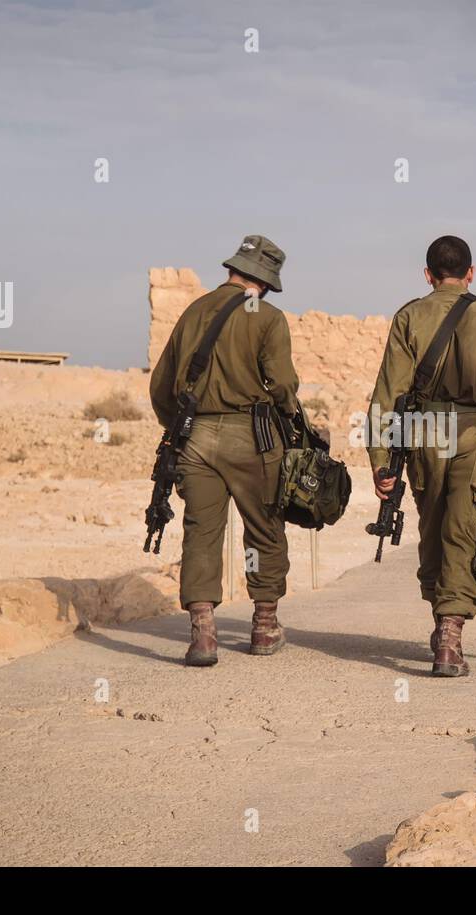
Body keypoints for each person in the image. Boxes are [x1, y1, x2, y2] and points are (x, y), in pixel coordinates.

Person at [368, 235, 476, 677]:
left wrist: (381, 460)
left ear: (428, 275)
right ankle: (451, 636)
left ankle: (442, 624)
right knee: (463, 530)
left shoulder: (409, 317)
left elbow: (388, 393)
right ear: (471, 273)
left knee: (434, 527)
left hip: (423, 435)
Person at [148, 235, 299, 667]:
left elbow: (161, 385)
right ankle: (265, 626)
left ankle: (203, 635)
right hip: (251, 437)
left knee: (201, 532)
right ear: (266, 282)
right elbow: (284, 385)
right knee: (264, 528)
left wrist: (179, 427)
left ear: (233, 269)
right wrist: (287, 417)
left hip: (195, 440)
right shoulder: (268, 317)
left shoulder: (193, 311)